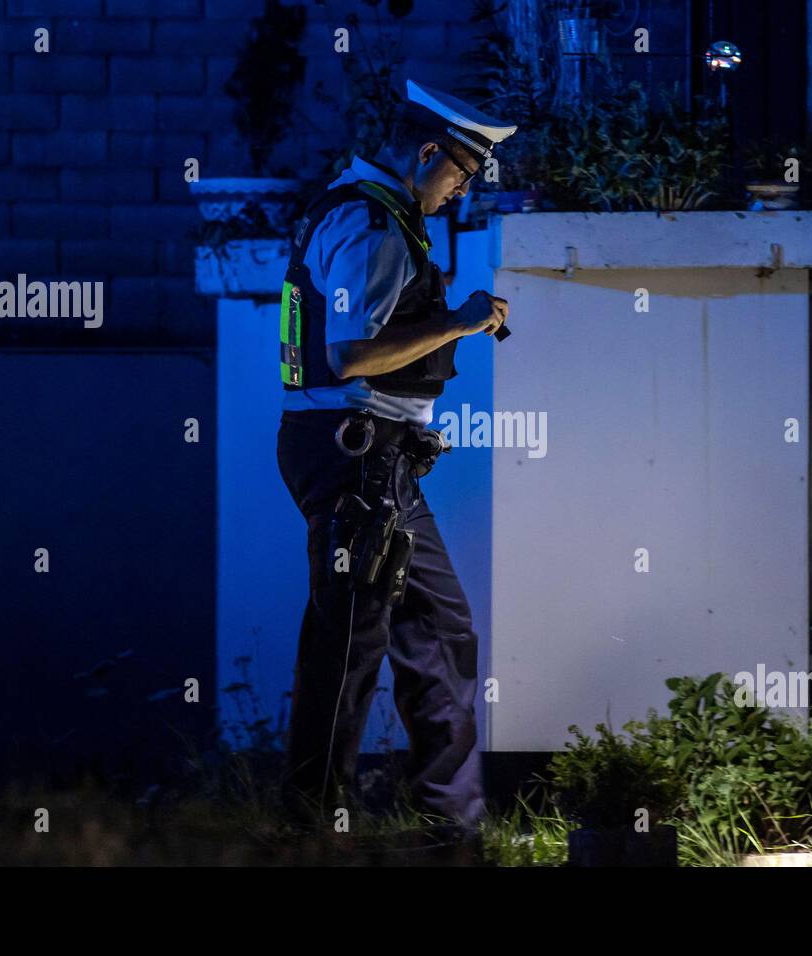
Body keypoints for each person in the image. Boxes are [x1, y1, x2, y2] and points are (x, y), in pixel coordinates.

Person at [276, 79, 515, 842]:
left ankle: (453, 825)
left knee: (439, 629)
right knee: (351, 639)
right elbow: (351, 356)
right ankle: (310, 826)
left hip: (383, 463)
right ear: (426, 152)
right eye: (461, 174)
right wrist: (461, 323)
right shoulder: (370, 225)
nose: (461, 191)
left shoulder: (384, 217)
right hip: (357, 457)